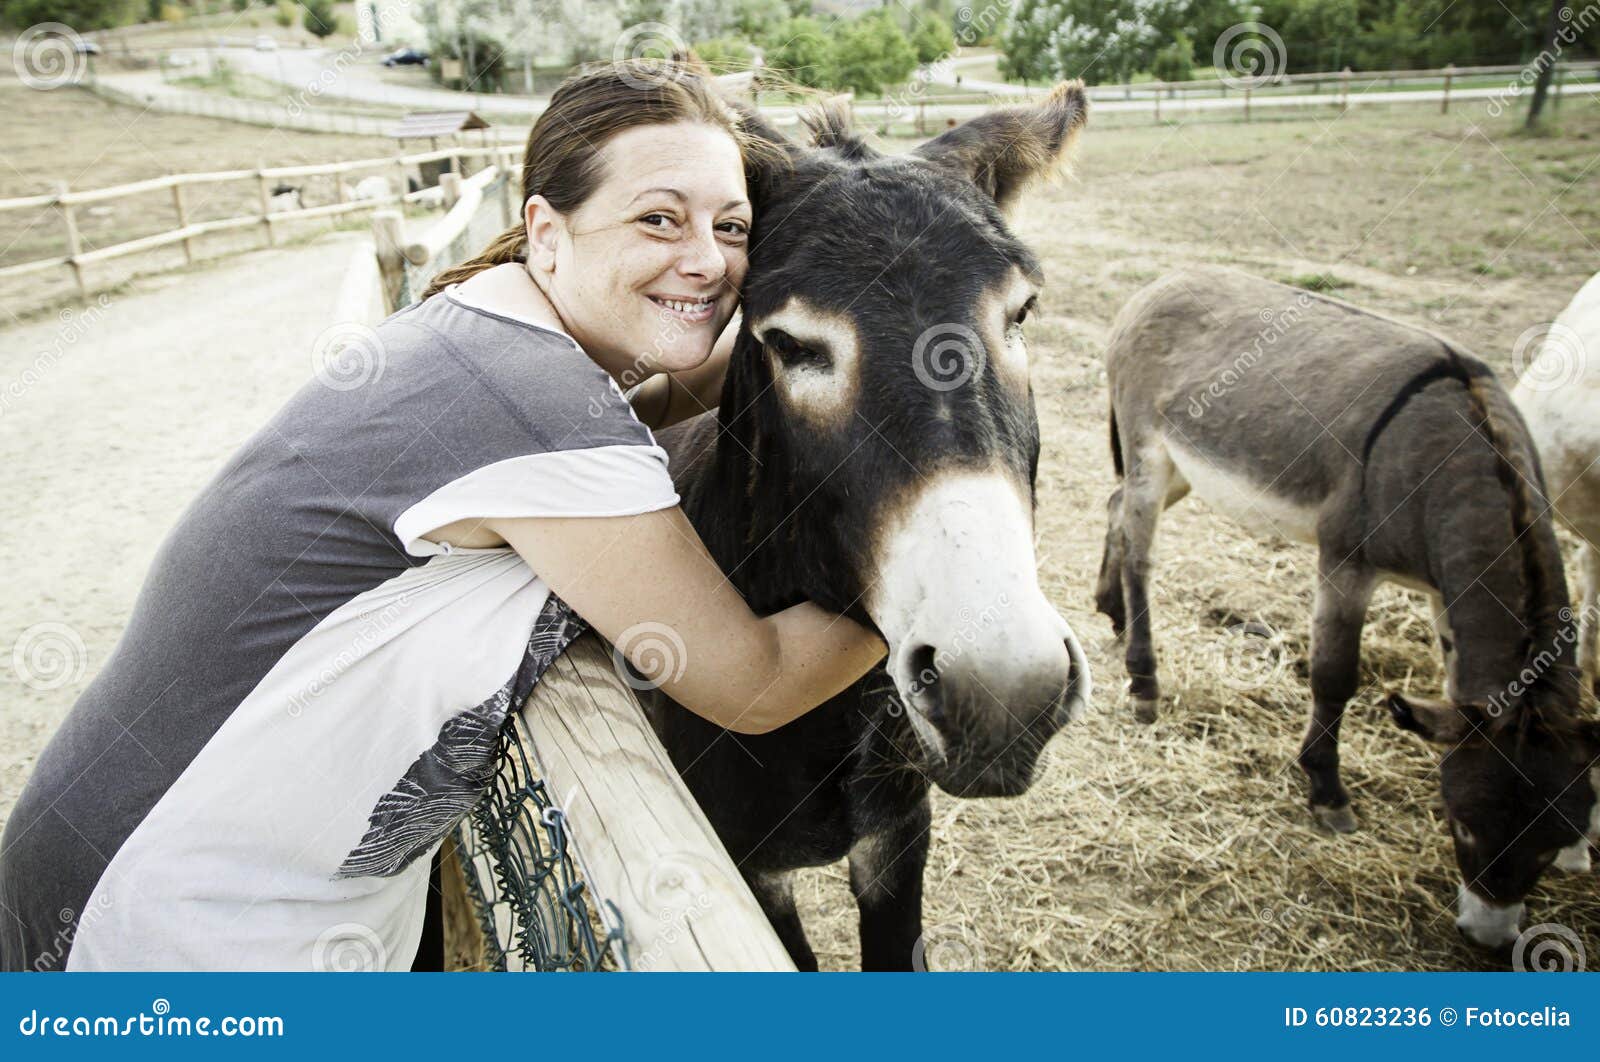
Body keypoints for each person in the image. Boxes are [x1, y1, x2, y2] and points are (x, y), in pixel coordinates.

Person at [0, 61, 886, 972]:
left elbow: (692, 380)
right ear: (546, 229)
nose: (707, 258)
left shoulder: (491, 329)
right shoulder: (537, 408)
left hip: (186, 880)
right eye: (658, 218)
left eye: (730, 227)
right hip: (169, 935)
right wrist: (925, 577)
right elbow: (756, 681)